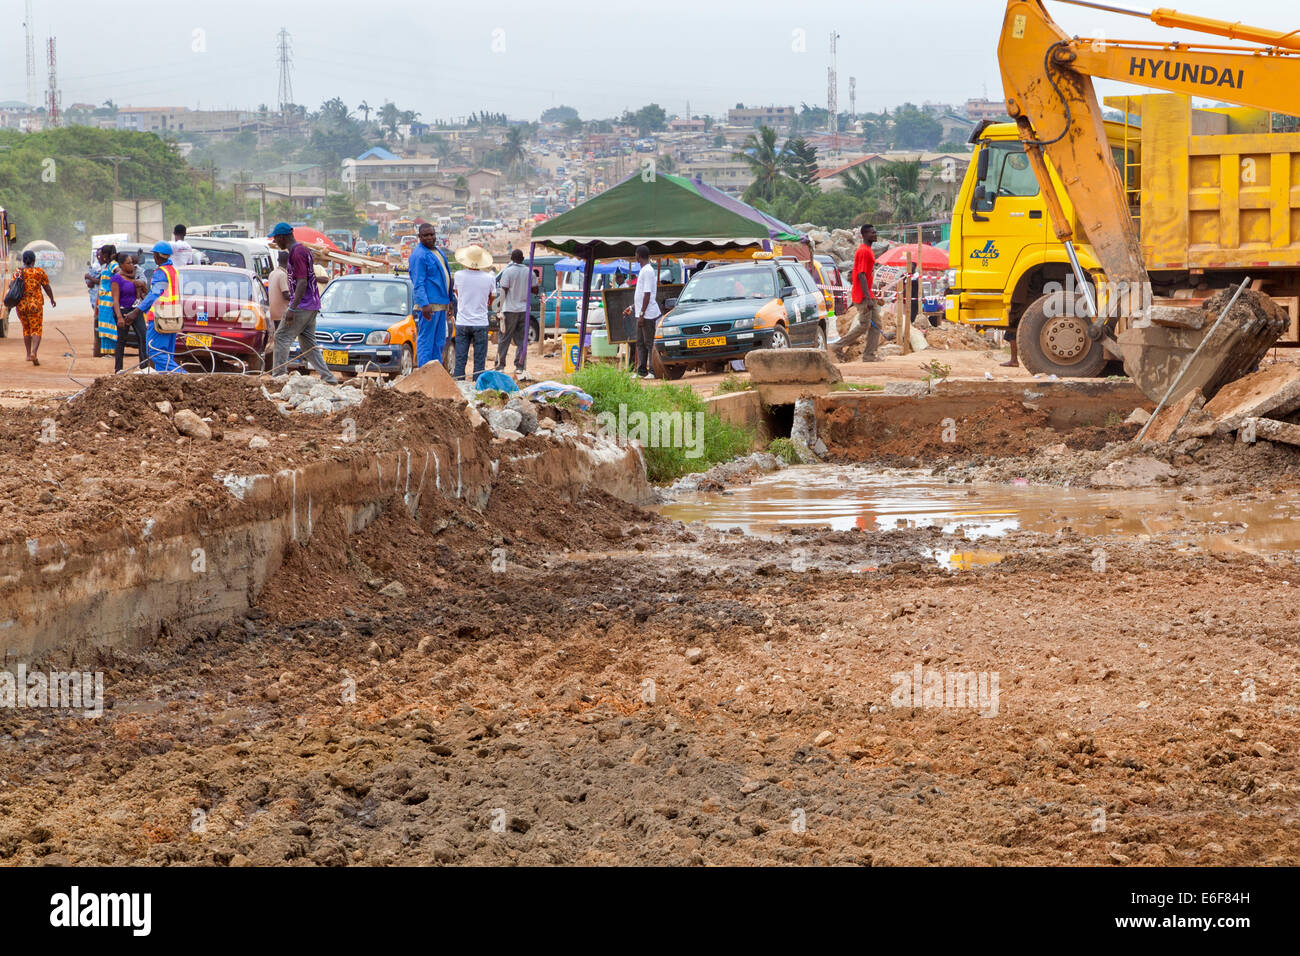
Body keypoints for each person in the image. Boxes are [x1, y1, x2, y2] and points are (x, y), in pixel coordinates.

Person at [268, 222, 338, 383]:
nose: (276, 242)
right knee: (308, 344)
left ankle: (278, 377)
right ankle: (329, 378)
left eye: (276, 238)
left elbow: (302, 282)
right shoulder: (302, 250)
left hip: (303, 304)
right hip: (312, 304)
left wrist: (292, 307)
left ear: (282, 237)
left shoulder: (297, 253)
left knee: (282, 337)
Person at [123, 242, 185, 374]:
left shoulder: (160, 272)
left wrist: (136, 311)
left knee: (154, 352)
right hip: (174, 315)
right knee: (166, 354)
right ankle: (169, 382)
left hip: (161, 317)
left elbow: (155, 294)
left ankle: (184, 376)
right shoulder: (173, 271)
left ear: (157, 255)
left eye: (154, 254)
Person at [409, 222, 455, 368]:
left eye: (432, 234)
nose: (429, 238)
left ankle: (436, 373)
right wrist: (424, 304)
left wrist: (450, 301)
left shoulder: (437, 251)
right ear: (419, 237)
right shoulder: (419, 255)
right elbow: (418, 283)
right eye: (426, 235)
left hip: (441, 304)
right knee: (426, 342)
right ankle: (424, 374)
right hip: (429, 306)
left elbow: (445, 277)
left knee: (439, 342)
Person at [836, 223, 883, 362]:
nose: (875, 234)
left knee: (877, 325)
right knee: (864, 325)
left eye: (875, 232)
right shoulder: (864, 251)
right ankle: (836, 346)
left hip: (867, 294)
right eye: (872, 233)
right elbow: (861, 275)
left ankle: (869, 355)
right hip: (863, 295)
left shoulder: (868, 250)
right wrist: (867, 298)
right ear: (864, 235)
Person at [452, 244, 496, 381]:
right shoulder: (489, 278)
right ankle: (478, 387)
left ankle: (460, 385)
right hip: (481, 323)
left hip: (462, 322)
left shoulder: (459, 276)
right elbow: (492, 297)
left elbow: (457, 293)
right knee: (479, 359)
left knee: (460, 357)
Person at [623, 244, 661, 379]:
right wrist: (632, 307)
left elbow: (647, 294)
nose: (635, 257)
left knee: (649, 343)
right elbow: (641, 296)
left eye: (635, 255)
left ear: (638, 256)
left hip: (648, 314)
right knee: (640, 342)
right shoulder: (644, 270)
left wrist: (641, 314)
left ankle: (653, 371)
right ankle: (641, 371)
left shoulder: (648, 271)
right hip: (641, 313)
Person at [495, 248, 535, 373]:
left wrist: (499, 309)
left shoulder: (508, 272)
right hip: (524, 310)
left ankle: (501, 365)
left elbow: (504, 291)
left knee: (504, 338)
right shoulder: (530, 272)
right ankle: (519, 366)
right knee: (522, 340)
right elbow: (535, 290)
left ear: (511, 259)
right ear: (522, 259)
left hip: (510, 310)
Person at [14, 250, 55, 366]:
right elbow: (47, 287)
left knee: (26, 329)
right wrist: (52, 299)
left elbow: (12, 286)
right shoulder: (39, 272)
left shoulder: (18, 272)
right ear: (34, 260)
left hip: (21, 305)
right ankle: (34, 353)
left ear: (23, 260)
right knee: (36, 329)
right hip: (35, 305)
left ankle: (28, 354)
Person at [111, 253, 148, 372]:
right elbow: (115, 300)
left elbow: (145, 292)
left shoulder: (136, 276)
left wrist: (141, 285)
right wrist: (119, 317)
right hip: (122, 311)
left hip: (136, 310)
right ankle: (118, 369)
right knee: (122, 339)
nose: (132, 265)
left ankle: (144, 367)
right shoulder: (116, 278)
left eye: (132, 262)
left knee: (142, 336)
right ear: (121, 265)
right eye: (128, 263)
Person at [95, 244, 120, 356]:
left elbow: (119, 273)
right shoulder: (107, 265)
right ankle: (107, 352)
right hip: (103, 301)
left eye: (101, 254)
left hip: (109, 300)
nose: (99, 256)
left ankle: (113, 351)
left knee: (110, 325)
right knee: (104, 325)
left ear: (106, 255)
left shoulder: (113, 265)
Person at [267, 250, 291, 333]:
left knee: (278, 336)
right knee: (283, 337)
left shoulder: (272, 273)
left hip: (273, 312)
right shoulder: (282, 275)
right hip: (282, 313)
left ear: (278, 260)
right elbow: (286, 295)